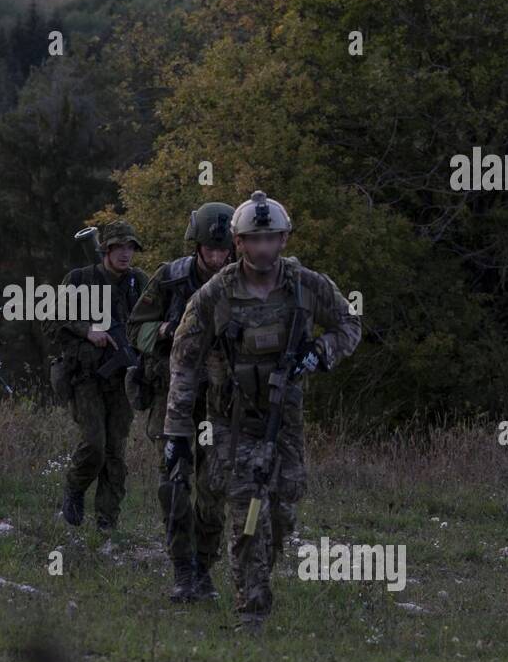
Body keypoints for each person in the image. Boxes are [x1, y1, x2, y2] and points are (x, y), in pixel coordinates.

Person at [163, 191, 362, 630]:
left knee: (283, 508)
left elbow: (350, 324)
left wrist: (320, 352)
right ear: (238, 241)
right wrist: (176, 431)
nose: (263, 248)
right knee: (248, 507)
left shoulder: (307, 286)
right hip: (232, 420)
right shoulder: (216, 295)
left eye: (271, 238)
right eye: (254, 239)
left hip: (286, 418)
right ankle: (252, 609)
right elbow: (185, 363)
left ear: (285, 239)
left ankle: (241, 564)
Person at [128, 202, 234, 601]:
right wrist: (167, 330)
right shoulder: (170, 279)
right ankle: (182, 570)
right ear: (197, 246)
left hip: (220, 404)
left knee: (212, 491)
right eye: (211, 249)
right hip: (171, 400)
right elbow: (134, 328)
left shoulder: (244, 284)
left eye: (224, 250)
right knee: (173, 485)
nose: (218, 256)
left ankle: (204, 569)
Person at [47, 220, 149, 533]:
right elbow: (50, 323)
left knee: (115, 452)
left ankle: (107, 522)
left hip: (122, 379)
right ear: (105, 250)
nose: (125, 253)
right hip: (85, 376)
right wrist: (87, 330)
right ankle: (75, 488)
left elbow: (152, 320)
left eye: (130, 247)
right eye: (118, 247)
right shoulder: (79, 280)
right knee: (94, 444)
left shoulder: (139, 283)